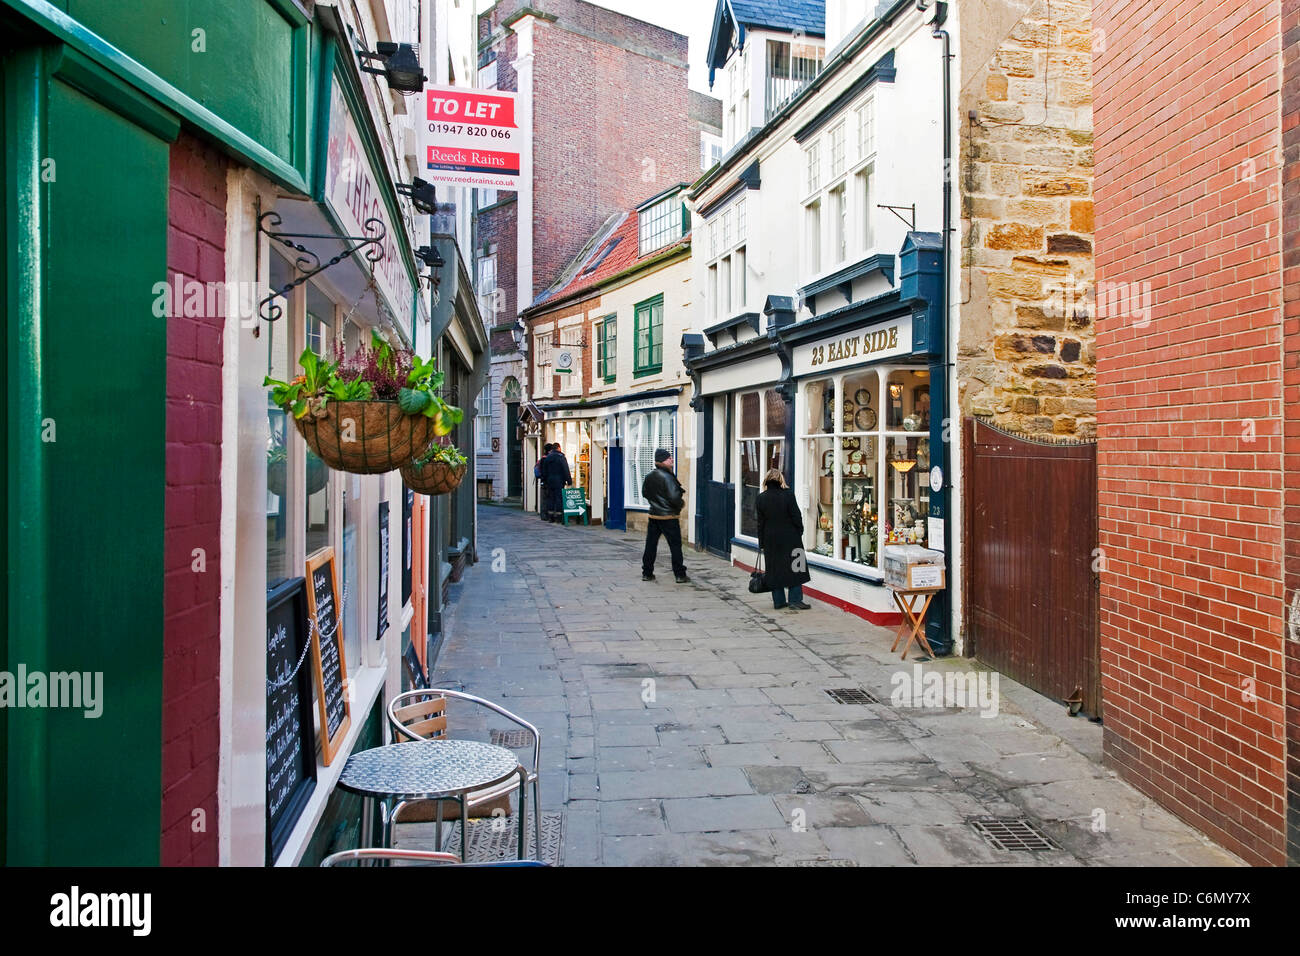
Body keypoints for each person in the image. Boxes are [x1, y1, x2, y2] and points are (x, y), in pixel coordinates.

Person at [756, 468, 811, 610]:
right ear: (781, 479)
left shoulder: (761, 498)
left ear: (766, 480)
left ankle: (779, 601)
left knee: (774, 569)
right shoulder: (788, 495)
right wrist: (799, 531)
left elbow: (760, 523)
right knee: (796, 567)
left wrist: (761, 542)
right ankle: (795, 600)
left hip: (770, 538)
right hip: (790, 537)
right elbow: (796, 516)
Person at [641, 448, 688, 583]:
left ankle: (647, 573)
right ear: (662, 461)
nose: (671, 459)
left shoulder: (649, 476)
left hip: (654, 516)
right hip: (669, 517)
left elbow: (645, 493)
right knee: (675, 546)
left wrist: (655, 503)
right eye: (669, 458)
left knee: (650, 545)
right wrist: (680, 505)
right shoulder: (668, 477)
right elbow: (674, 497)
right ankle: (680, 574)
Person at [541, 443, 571, 522]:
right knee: (558, 498)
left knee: (550, 498)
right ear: (558, 448)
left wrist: (544, 480)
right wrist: (569, 481)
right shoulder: (561, 457)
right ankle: (558, 517)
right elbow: (566, 469)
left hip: (550, 481)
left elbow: (544, 470)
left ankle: (550, 517)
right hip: (559, 481)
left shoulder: (548, 457)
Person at [535, 443, 552, 519]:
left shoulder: (542, 459)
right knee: (547, 498)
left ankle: (543, 515)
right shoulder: (547, 459)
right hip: (547, 481)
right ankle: (546, 515)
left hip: (543, 481)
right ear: (549, 451)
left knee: (544, 499)